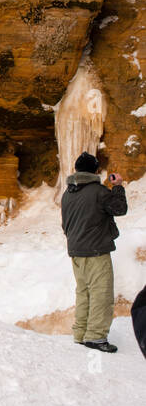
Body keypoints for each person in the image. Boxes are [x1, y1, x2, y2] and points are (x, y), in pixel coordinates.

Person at [60, 151, 129, 353]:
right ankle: (96, 337)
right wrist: (117, 187)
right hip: (96, 251)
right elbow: (119, 208)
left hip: (76, 251)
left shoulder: (67, 194)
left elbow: (66, 225)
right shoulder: (98, 192)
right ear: (95, 170)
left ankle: (80, 333)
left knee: (84, 293)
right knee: (101, 294)